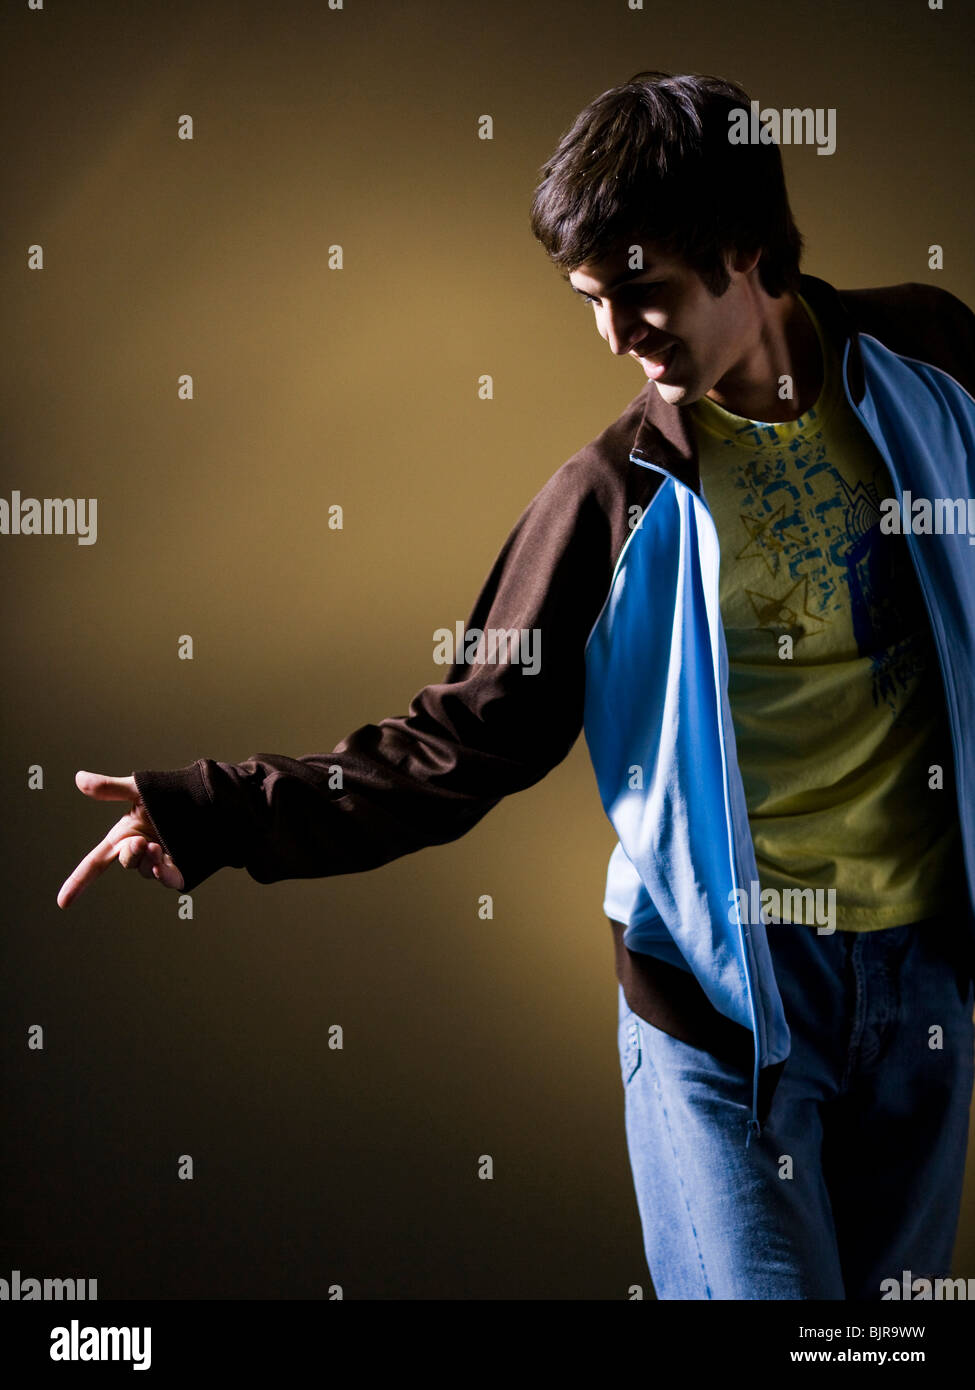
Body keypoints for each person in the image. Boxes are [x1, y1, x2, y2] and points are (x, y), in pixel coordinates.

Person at [57, 71, 975, 1301]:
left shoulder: (934, 363)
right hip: (722, 1004)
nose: (614, 335)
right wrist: (216, 806)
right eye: (591, 300)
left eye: (640, 293)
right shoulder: (612, 501)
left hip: (925, 978)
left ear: (747, 248)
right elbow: (459, 738)